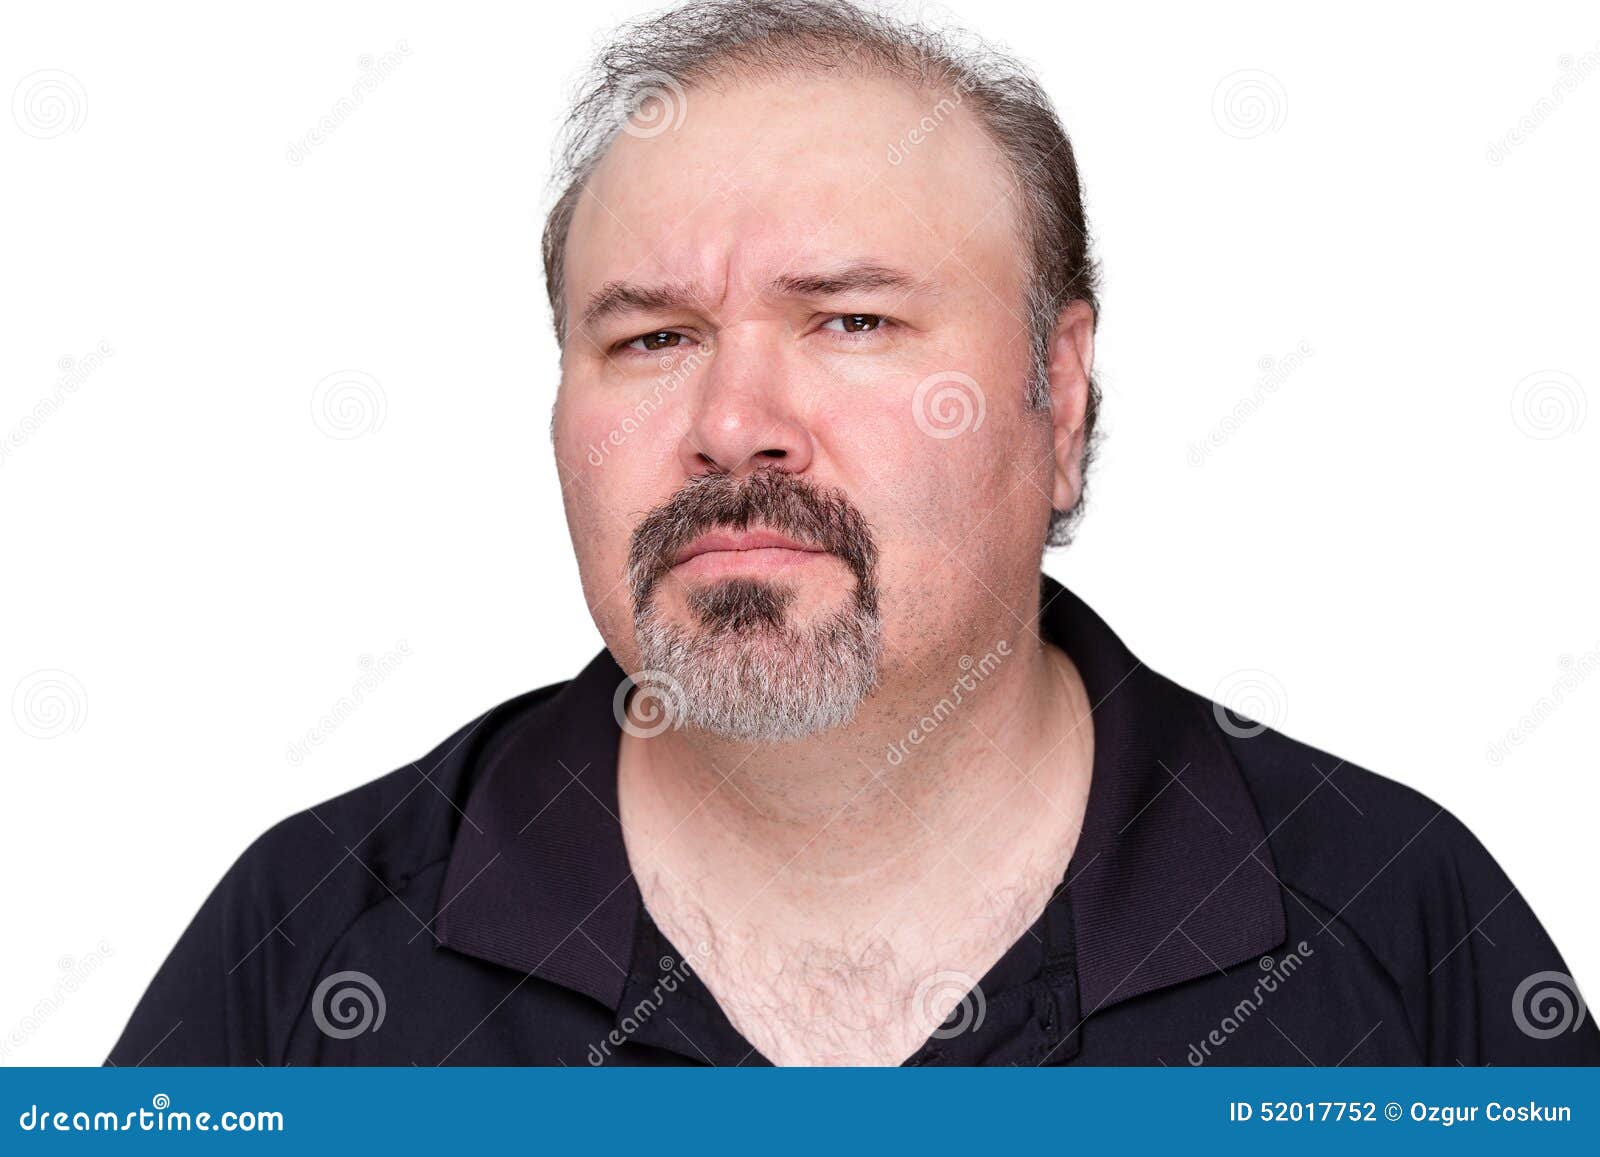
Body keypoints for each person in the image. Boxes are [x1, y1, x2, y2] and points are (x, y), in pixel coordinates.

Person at [110, 0, 1598, 1067]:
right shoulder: (309, 953)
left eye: (850, 321)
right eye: (651, 338)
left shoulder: (1394, 931)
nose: (734, 422)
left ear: (1059, 395)